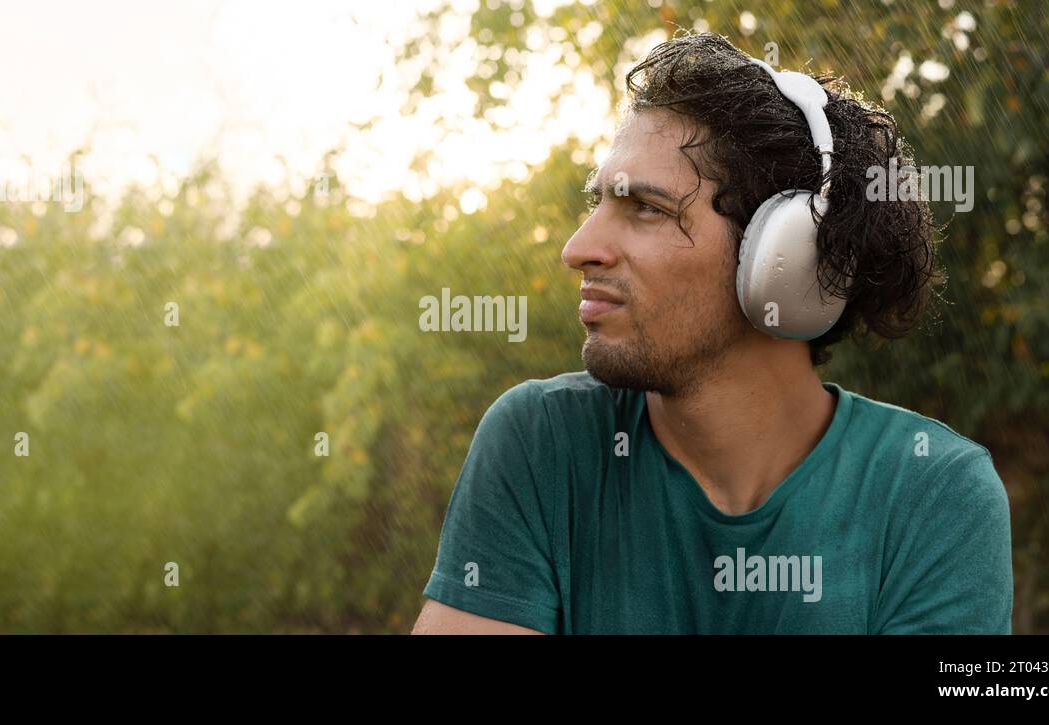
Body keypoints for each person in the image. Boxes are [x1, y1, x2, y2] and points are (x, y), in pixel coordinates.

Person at [412, 32, 1012, 634]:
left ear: (784, 260)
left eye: (647, 208)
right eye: (596, 203)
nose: (579, 249)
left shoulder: (932, 492)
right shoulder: (543, 443)